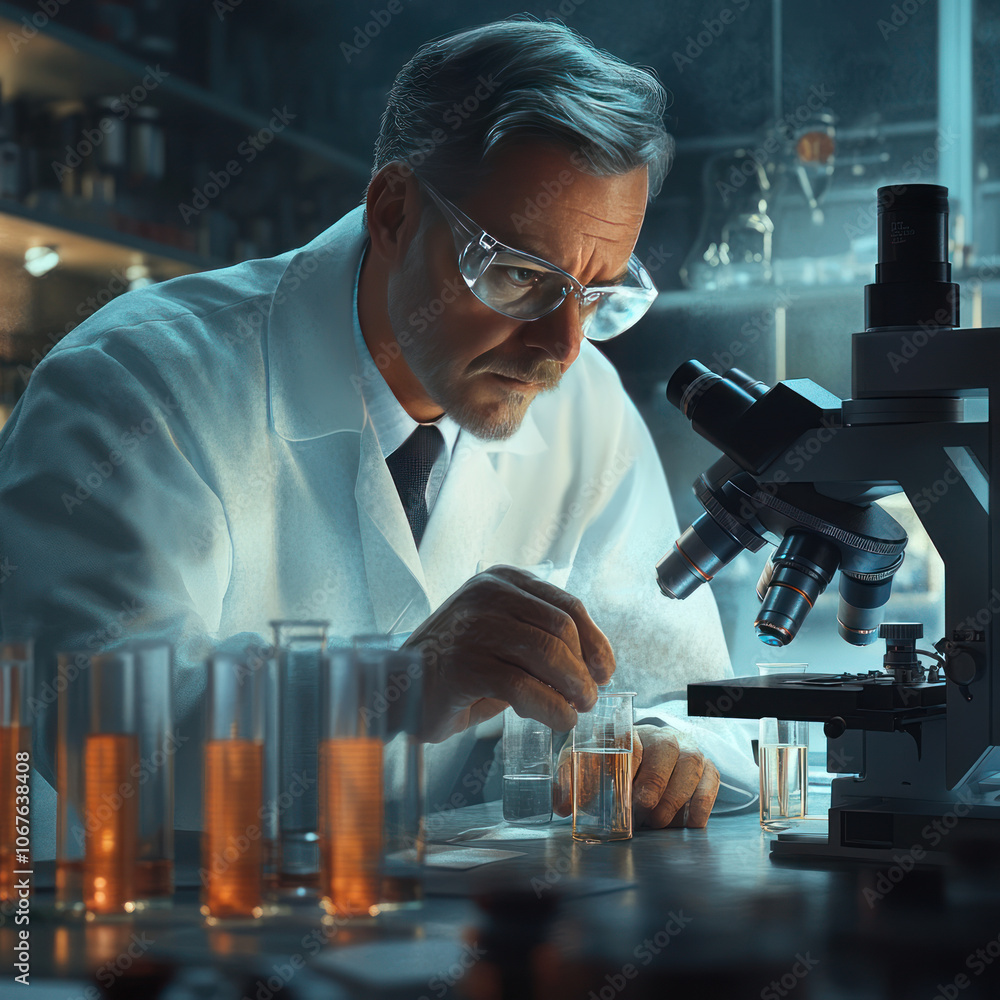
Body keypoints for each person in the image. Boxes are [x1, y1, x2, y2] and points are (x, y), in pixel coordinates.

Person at [0, 18, 755, 837]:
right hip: (151, 937)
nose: (562, 347)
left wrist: (659, 747)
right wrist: (391, 687)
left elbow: (691, 695)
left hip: (437, 938)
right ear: (394, 212)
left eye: (597, 295)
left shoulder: (587, 404)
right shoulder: (138, 382)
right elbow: (102, 736)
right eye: (516, 275)